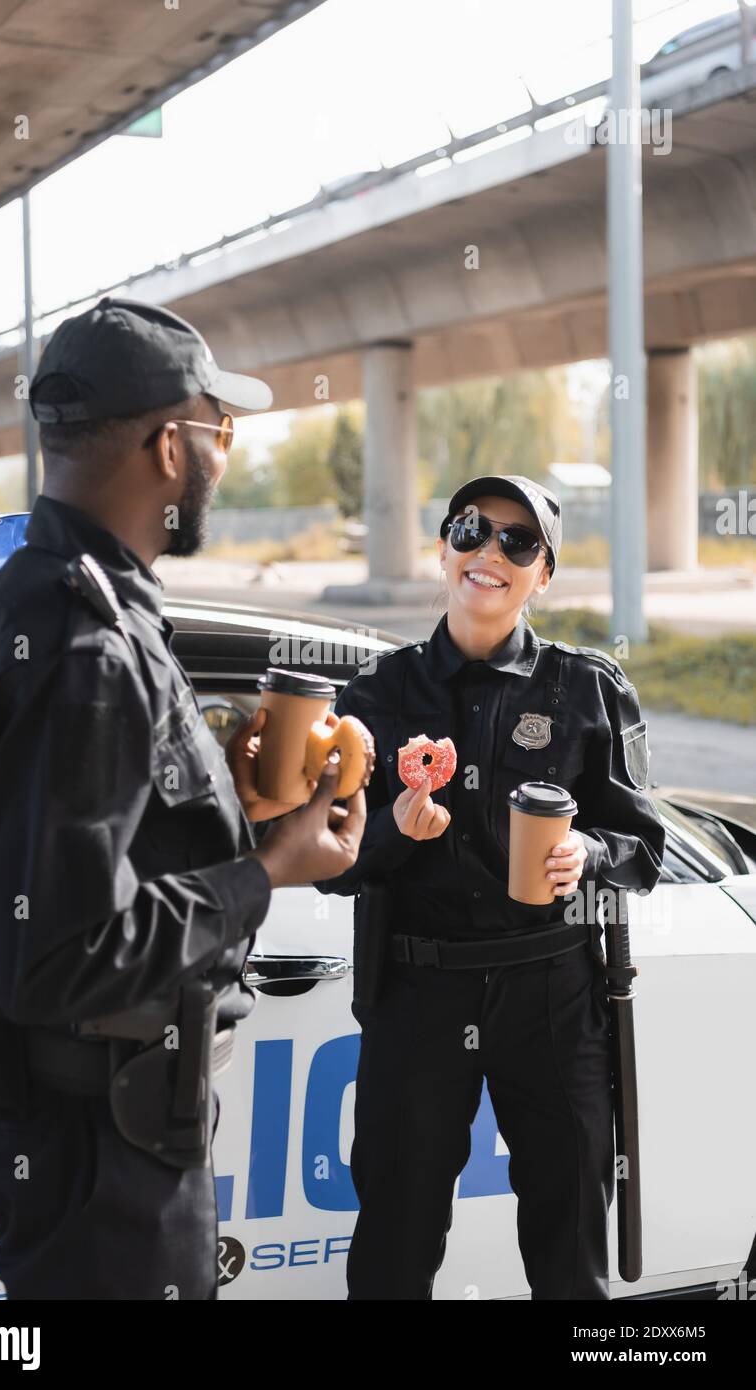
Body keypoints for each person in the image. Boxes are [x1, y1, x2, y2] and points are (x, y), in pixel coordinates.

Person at [0, 296, 365, 1301]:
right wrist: (267, 872)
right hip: (101, 1160)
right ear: (170, 443)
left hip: (99, 1133)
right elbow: (62, 954)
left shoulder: (46, 600)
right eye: (221, 428)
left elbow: (83, 862)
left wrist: (239, 816)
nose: (228, 453)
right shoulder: (84, 645)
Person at [313, 474, 666, 1301]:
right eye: (471, 530)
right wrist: (395, 828)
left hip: (551, 995)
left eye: (518, 542)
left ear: (542, 574)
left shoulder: (586, 689)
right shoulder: (375, 696)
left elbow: (643, 846)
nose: (489, 553)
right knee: (395, 1238)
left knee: (569, 1237)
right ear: (442, 548)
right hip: (418, 995)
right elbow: (330, 865)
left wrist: (586, 850)